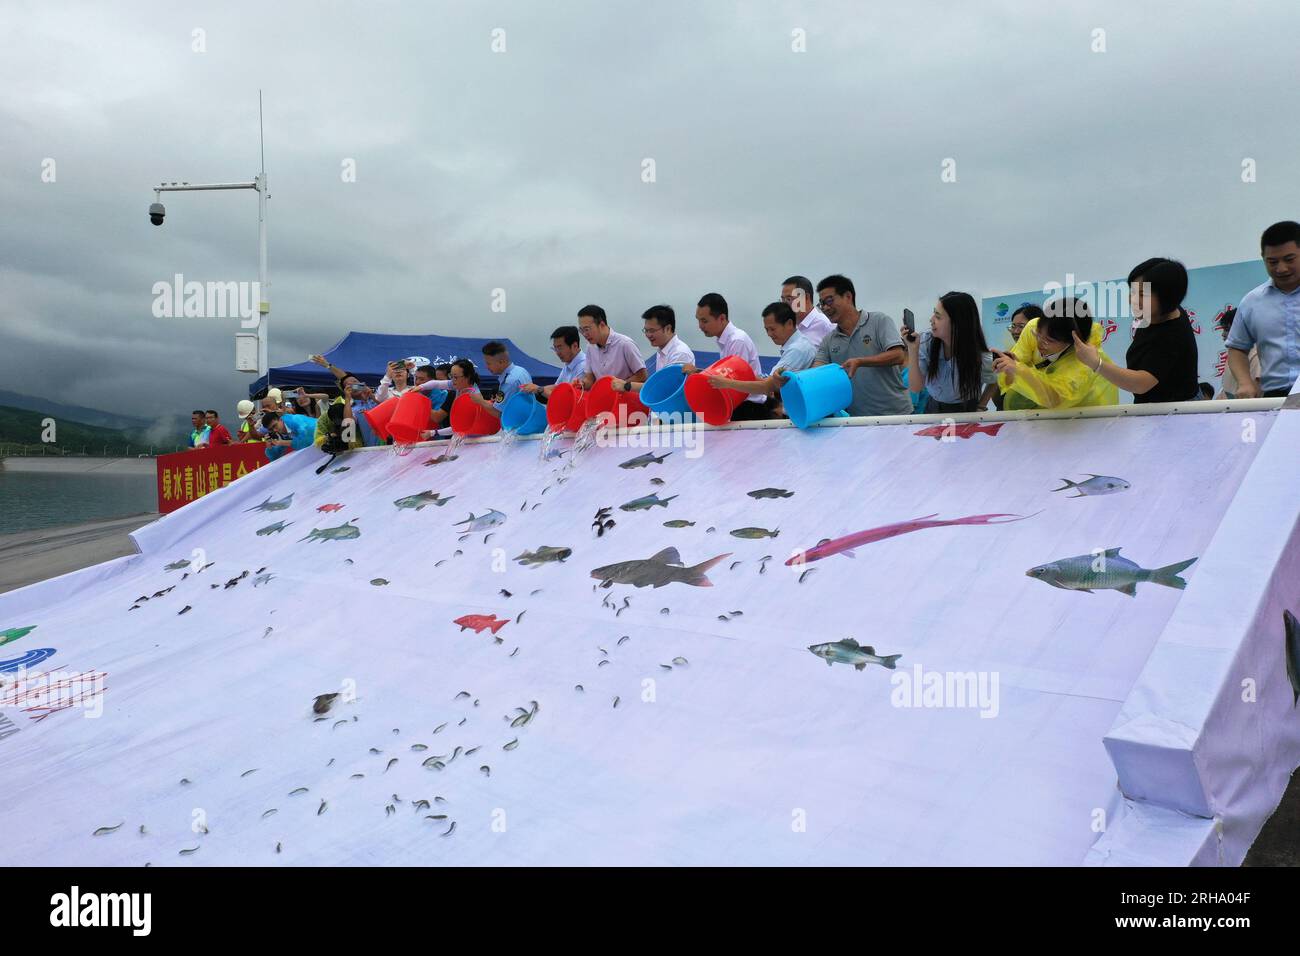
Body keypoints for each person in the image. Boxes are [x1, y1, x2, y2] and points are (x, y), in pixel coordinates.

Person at [1069, 258, 1198, 404]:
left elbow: (1140, 384)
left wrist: (1095, 363)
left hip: (1177, 413)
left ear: (1167, 298)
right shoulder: (1156, 314)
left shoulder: (1172, 334)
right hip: (1153, 407)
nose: (1133, 300)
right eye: (1133, 292)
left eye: (1143, 294)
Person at [810, 274, 913, 416]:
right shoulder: (829, 340)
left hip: (897, 416)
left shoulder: (879, 321)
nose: (826, 308)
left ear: (848, 296)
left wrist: (860, 362)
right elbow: (816, 371)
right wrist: (789, 377)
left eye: (829, 301)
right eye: (821, 304)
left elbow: (898, 355)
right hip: (859, 423)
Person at [992, 297, 1118, 409]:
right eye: (1038, 334)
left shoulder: (1086, 361)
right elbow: (1010, 376)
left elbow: (1055, 397)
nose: (1040, 343)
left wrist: (1020, 370)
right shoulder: (1032, 327)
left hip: (1087, 415)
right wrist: (1010, 368)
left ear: (1073, 341)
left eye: (1049, 340)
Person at [1225, 220, 1300, 398]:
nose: (1281, 268)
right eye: (1272, 262)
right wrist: (1245, 382)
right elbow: (1236, 348)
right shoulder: (1252, 302)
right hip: (1275, 396)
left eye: (1289, 259)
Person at [702, 302, 816, 416]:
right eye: (767, 330)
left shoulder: (796, 350)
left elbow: (767, 387)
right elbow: (768, 384)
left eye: (772, 329)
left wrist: (726, 383)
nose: (769, 334)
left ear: (789, 324)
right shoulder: (799, 345)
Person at [902, 292, 998, 413]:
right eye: (933, 313)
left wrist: (981, 406)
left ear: (957, 322)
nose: (931, 320)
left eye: (938, 316)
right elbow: (915, 388)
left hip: (967, 409)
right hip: (934, 407)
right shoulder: (926, 342)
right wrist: (912, 349)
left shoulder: (978, 354)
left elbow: (993, 382)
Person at [681, 292, 769, 421]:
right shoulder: (727, 340)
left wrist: (698, 373)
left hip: (749, 408)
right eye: (698, 320)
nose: (700, 326)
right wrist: (698, 372)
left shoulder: (737, 341)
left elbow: (736, 382)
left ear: (722, 318)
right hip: (743, 406)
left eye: (704, 321)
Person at [613, 305, 695, 393]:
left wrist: (627, 385)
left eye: (652, 331)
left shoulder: (679, 353)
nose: (648, 335)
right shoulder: (662, 351)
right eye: (646, 330)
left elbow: (664, 387)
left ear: (668, 328)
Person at [577, 304, 646, 390]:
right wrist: (581, 384)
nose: (584, 334)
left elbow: (643, 375)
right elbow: (589, 380)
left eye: (587, 329)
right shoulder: (590, 348)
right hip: (605, 399)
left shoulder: (625, 344)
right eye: (581, 330)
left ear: (602, 325)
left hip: (626, 400)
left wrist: (622, 385)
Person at [522, 327, 587, 399]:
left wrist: (539, 389)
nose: (557, 353)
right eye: (555, 348)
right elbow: (557, 387)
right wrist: (534, 388)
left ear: (574, 346)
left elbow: (566, 399)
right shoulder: (568, 363)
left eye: (560, 348)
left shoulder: (584, 366)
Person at [1214, 308, 1261, 398]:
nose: (1223, 334)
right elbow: (1226, 389)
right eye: (1223, 329)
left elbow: (1255, 394)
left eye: (1227, 329)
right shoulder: (1234, 353)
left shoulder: (1256, 354)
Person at [477, 341, 532, 416]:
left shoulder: (509, 381)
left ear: (501, 362)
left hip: (516, 424)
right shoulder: (521, 370)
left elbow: (499, 413)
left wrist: (480, 400)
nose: (487, 367)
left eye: (489, 363)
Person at [781, 275, 834, 347]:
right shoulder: (790, 327)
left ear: (806, 298)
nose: (784, 305)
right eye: (782, 299)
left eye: (789, 299)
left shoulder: (826, 326)